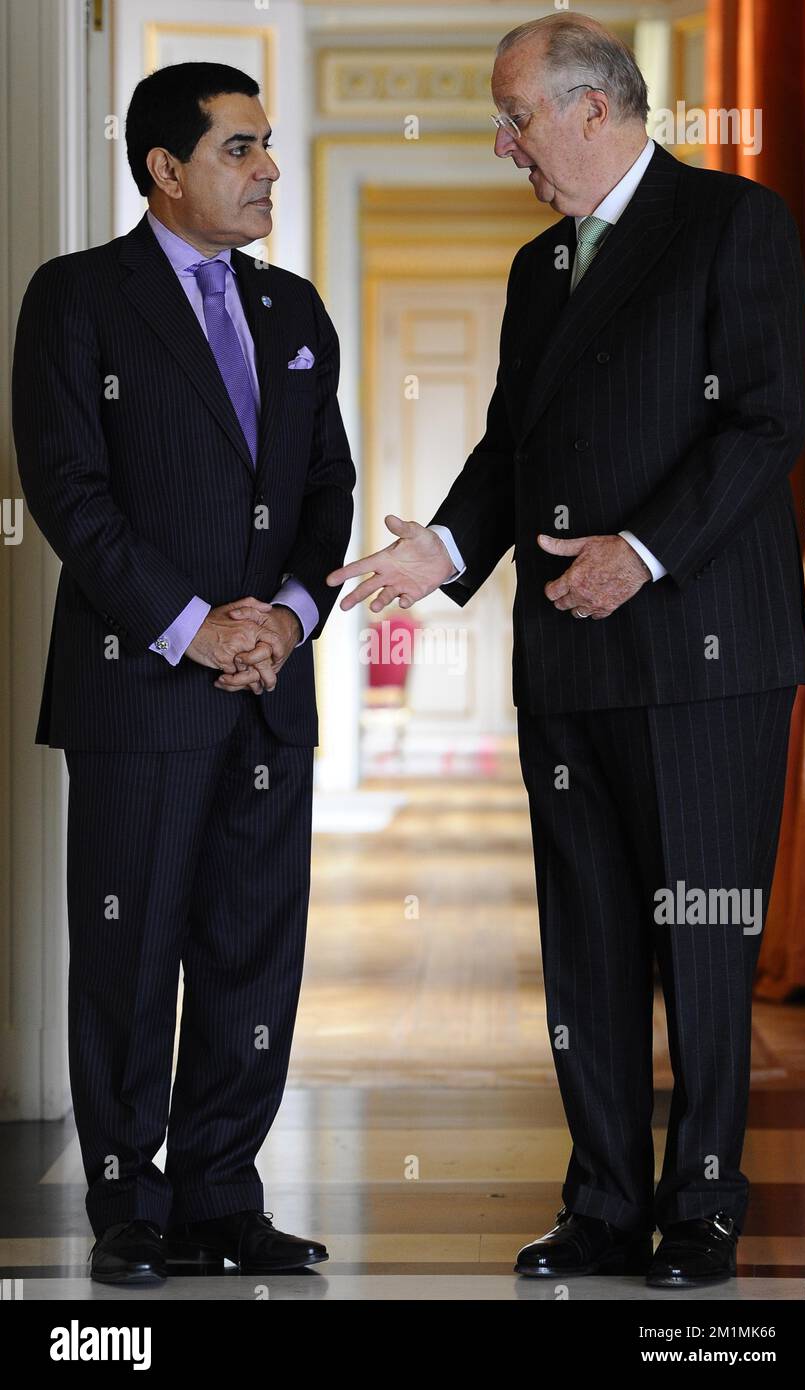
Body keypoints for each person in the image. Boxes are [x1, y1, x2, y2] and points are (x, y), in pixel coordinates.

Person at [327, 12, 805, 1288]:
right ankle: (601, 1201)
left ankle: (702, 1207)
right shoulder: (537, 272)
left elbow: (764, 425)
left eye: (517, 116)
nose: (504, 144)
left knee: (701, 941)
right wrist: (437, 547)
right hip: (567, 658)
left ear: (594, 108)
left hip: (707, 661)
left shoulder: (735, 224)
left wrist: (640, 552)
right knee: (588, 939)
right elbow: (510, 449)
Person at [12, 61, 356, 1285]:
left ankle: (221, 1198)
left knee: (252, 951)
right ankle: (128, 1210)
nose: (269, 168)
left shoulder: (295, 310)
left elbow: (329, 491)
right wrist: (195, 625)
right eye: (240, 148)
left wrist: (291, 619)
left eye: (267, 146)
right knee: (129, 949)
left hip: (272, 690)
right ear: (164, 169)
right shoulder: (77, 300)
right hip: (137, 685)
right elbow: (69, 492)